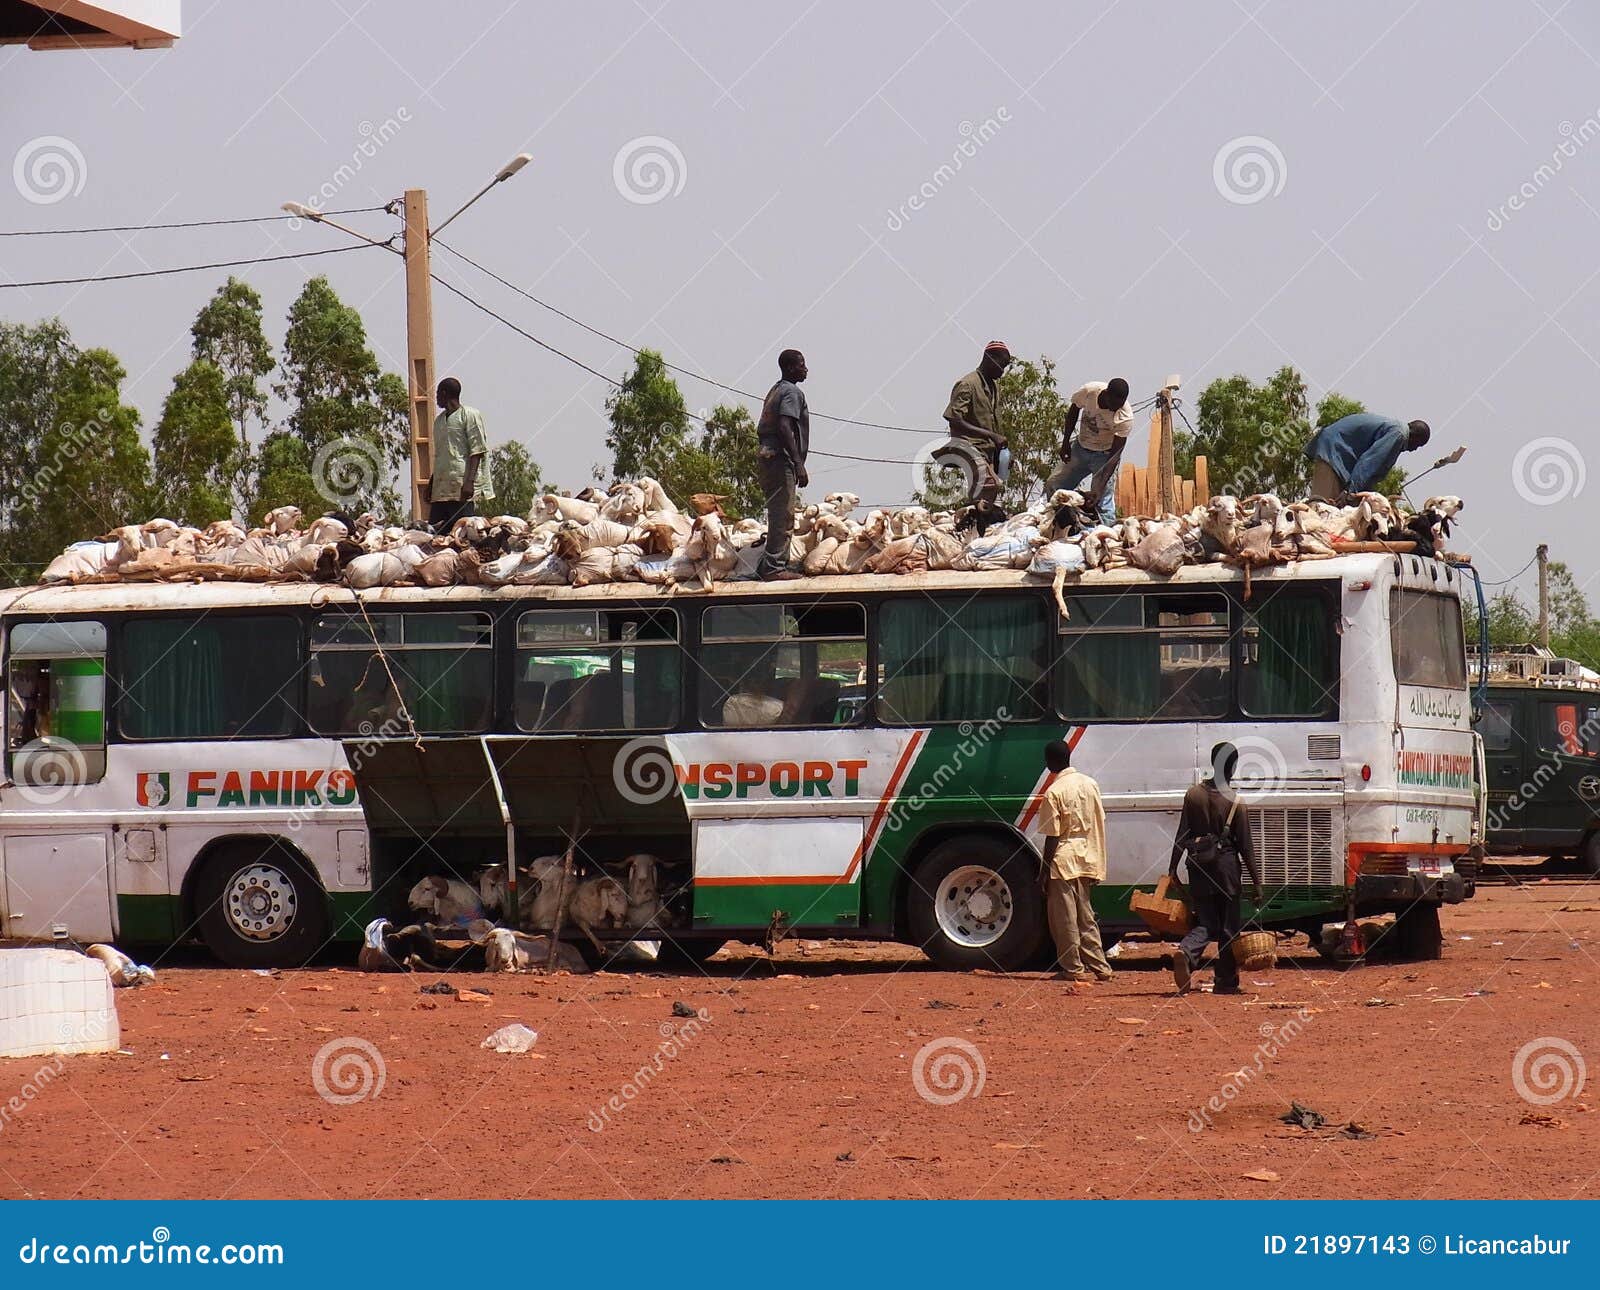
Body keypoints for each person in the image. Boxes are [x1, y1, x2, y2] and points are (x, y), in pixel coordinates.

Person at [1168, 742, 1264, 996]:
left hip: (1199, 869)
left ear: (1213, 763)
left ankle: (1187, 952)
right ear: (1232, 766)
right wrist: (1257, 882)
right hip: (1227, 871)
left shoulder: (1193, 795)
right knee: (1229, 927)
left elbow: (1181, 835)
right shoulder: (1236, 802)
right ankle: (1226, 981)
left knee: (1207, 922)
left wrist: (1172, 869)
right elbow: (1246, 847)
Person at [1037, 739, 1114, 984]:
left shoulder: (1054, 792)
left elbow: (1053, 836)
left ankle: (1073, 969)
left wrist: (1043, 871)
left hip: (1063, 860)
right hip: (1087, 857)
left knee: (1065, 919)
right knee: (1086, 916)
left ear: (1050, 762)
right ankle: (1101, 967)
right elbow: (1098, 822)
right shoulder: (1091, 784)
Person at [1045, 377, 1132, 524]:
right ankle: (1052, 523)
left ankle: (1105, 535)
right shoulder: (1089, 391)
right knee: (1053, 485)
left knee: (1102, 502)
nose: (1116, 409)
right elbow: (1073, 410)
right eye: (1114, 404)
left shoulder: (1125, 417)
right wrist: (1066, 443)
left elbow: (1114, 457)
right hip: (1080, 448)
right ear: (1106, 394)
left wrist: (1099, 488)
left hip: (1104, 456)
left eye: (1120, 405)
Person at [756, 349, 810, 581]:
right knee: (783, 514)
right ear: (790, 368)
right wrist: (798, 463)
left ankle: (772, 564)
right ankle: (774, 567)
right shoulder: (791, 391)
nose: (806, 369)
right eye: (801, 364)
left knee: (778, 512)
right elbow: (784, 426)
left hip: (768, 457)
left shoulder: (776, 389)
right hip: (780, 459)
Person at [942, 341, 1012, 503]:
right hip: (967, 445)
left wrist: (1003, 452)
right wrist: (992, 436)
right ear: (989, 358)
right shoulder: (967, 384)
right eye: (1001, 365)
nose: (1003, 371)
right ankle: (971, 520)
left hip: (987, 450)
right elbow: (954, 419)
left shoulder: (994, 387)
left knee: (991, 491)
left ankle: (977, 522)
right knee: (987, 484)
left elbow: (993, 424)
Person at [1305, 413, 1429, 500]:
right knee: (1324, 510)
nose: (1414, 450)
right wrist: (1351, 493)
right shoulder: (1398, 434)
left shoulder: (1396, 430)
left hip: (1338, 456)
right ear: (1415, 436)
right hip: (1334, 452)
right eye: (1418, 445)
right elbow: (1369, 463)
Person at [427, 377, 493, 530]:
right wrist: (432, 483)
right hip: (441, 489)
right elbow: (441, 456)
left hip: (461, 488)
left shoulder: (470, 415)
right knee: (435, 534)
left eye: (437, 394)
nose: (436, 398)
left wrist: (469, 482)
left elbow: (477, 450)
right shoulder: (439, 421)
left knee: (463, 532)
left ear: (444, 394)